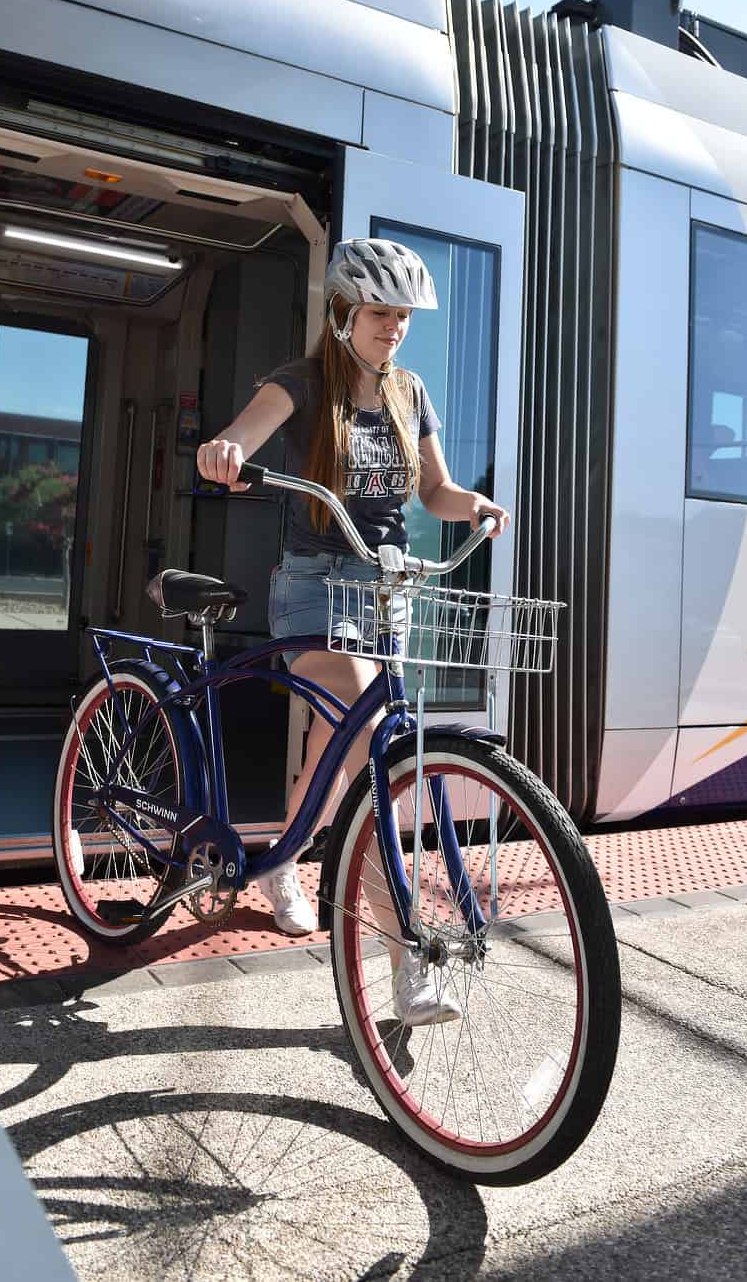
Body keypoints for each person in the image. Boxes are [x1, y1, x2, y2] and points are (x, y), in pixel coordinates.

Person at [196, 238, 510, 1026]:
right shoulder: (299, 383)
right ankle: (408, 961)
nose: (394, 328)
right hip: (311, 588)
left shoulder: (409, 391)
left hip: (386, 588)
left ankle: (279, 863)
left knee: (335, 752)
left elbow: (433, 491)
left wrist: (472, 504)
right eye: (379, 313)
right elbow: (245, 432)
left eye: (402, 315)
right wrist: (226, 451)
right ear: (340, 314)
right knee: (373, 735)